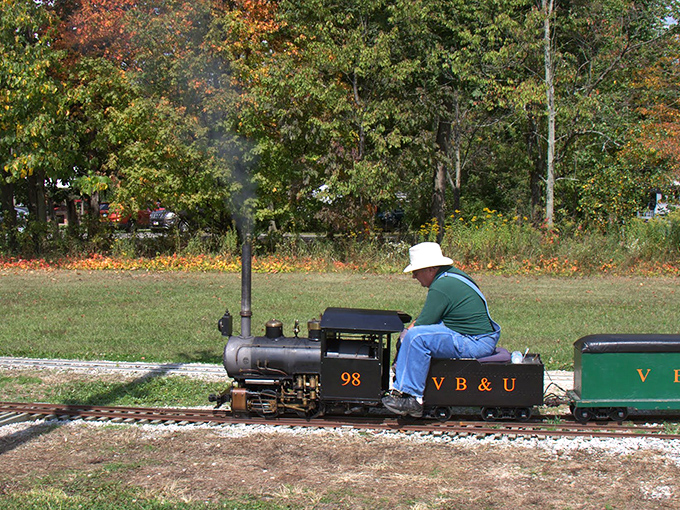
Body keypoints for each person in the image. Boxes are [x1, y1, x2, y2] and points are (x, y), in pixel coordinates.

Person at [381, 242, 501, 417]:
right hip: (477, 337)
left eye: (416, 271)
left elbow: (423, 324)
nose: (414, 276)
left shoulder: (441, 286)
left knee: (415, 337)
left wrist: (403, 339)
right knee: (415, 335)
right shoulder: (451, 277)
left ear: (431, 269)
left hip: (474, 341)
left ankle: (413, 399)